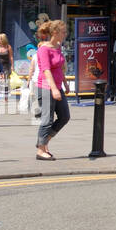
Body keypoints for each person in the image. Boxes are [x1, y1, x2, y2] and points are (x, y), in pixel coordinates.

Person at [35, 20, 70, 162]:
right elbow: (46, 70)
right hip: (45, 87)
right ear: (55, 33)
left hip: (57, 86)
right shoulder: (44, 49)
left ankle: (43, 142)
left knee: (64, 116)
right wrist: (54, 89)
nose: (65, 34)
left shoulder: (58, 47)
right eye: (63, 32)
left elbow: (60, 67)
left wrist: (65, 83)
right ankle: (40, 150)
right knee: (47, 119)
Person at [0, 33, 14, 108]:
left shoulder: (8, 47)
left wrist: (12, 66)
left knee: (6, 81)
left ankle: (6, 97)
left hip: (6, 66)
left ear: (3, 39)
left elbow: (11, 57)